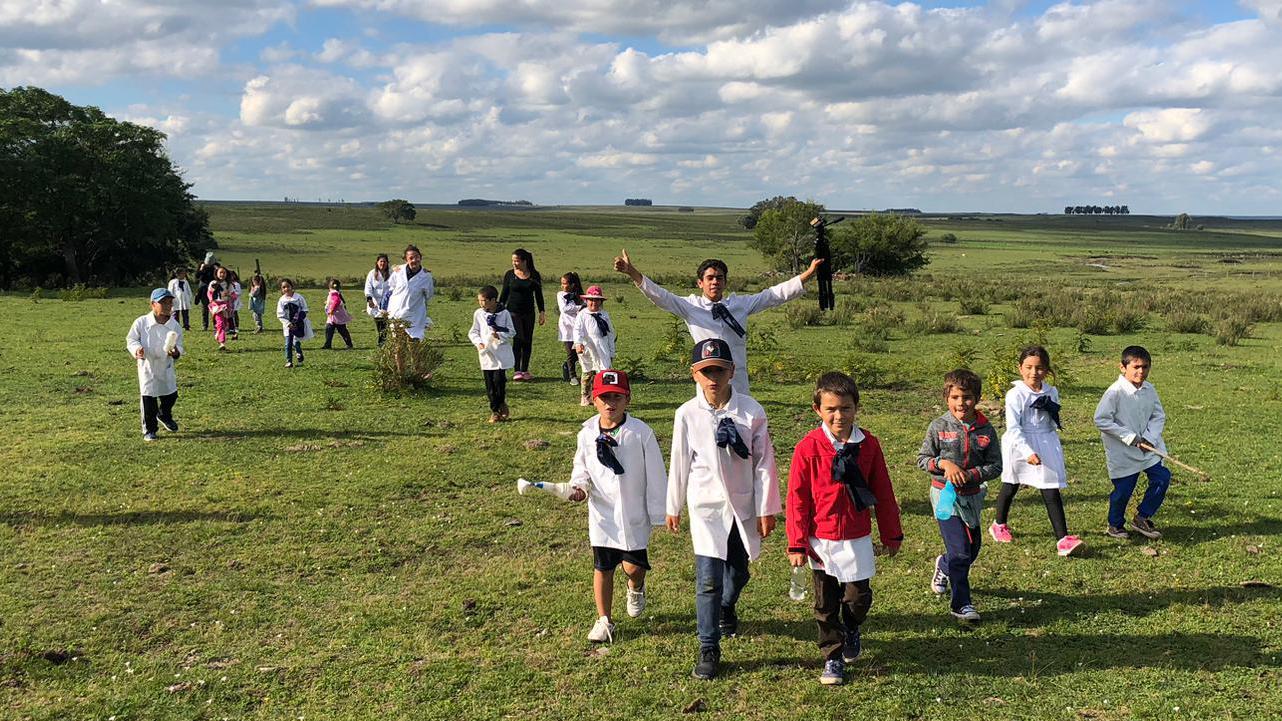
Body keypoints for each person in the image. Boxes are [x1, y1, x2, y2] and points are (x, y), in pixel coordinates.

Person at [666, 338, 781, 680]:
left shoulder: (750, 411)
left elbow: (764, 462)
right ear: (694, 375)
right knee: (708, 581)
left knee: (739, 572)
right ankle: (708, 647)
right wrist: (673, 505)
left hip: (742, 504)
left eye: (718, 370)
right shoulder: (686, 414)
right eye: (705, 372)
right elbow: (679, 461)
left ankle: (727, 606)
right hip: (705, 507)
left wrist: (766, 507)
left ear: (731, 371)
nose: (712, 378)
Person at [786, 371, 903, 685]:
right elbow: (797, 498)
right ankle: (833, 657)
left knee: (857, 597)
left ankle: (851, 627)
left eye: (846, 408)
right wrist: (797, 543)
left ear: (856, 408)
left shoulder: (869, 446)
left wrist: (891, 533)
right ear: (818, 410)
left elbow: (883, 490)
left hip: (856, 536)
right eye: (831, 409)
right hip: (819, 539)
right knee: (825, 604)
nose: (839, 415)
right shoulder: (808, 448)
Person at [613, 249, 823, 393]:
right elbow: (661, 296)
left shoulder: (739, 304)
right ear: (700, 283)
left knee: (742, 421)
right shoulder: (691, 306)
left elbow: (772, 295)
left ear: (725, 281)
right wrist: (632, 272)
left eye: (719, 278)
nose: (715, 282)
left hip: (736, 374)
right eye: (710, 278)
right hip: (706, 374)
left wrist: (808, 274)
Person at [564, 370, 667, 643]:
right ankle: (604, 620)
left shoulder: (640, 433)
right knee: (603, 567)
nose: (611, 403)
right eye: (605, 397)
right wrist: (579, 487)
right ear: (593, 400)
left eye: (617, 397)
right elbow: (581, 467)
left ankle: (636, 586)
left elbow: (656, 473)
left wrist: (660, 511)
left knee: (632, 567)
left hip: (633, 512)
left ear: (627, 399)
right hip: (602, 514)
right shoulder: (586, 434)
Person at [917, 369, 1001, 624]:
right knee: (961, 552)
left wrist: (973, 474)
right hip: (945, 497)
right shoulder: (938, 427)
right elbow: (923, 460)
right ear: (946, 398)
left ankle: (944, 565)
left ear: (977, 398)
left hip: (973, 497)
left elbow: (996, 466)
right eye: (955, 397)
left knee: (972, 549)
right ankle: (961, 604)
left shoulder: (986, 430)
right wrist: (945, 465)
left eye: (966, 397)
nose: (960, 403)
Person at [991, 346, 1084, 556]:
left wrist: (1052, 444)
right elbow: (1014, 428)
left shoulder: (1052, 392)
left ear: (1047, 369)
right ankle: (999, 524)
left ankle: (1063, 539)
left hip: (1045, 441)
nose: (1034, 372)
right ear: (1020, 368)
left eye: (1040, 368)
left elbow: (1052, 419)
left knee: (1050, 487)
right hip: (1020, 443)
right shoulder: (1015, 394)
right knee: (1011, 484)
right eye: (1029, 367)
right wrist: (1027, 451)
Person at [1094, 345, 1170, 541]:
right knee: (1124, 490)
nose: (1141, 372)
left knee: (1162, 477)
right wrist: (1131, 438)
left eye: (1145, 367)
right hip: (1123, 451)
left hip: (1149, 448)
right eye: (1136, 367)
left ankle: (1142, 516)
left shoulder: (1149, 389)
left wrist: (1149, 438)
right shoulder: (1115, 392)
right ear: (1123, 367)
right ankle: (1115, 525)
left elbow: (1158, 415)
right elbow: (1101, 420)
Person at [126, 288, 184, 442]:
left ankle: (164, 415)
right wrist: (136, 350)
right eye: (163, 302)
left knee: (171, 395)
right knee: (149, 399)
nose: (167, 306)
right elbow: (131, 340)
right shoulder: (141, 322)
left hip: (165, 365)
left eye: (169, 302)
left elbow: (180, 345)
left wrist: (176, 352)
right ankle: (150, 430)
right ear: (153, 304)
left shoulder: (174, 326)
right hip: (148, 365)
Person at [468, 285, 515, 423]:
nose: (481, 304)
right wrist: (478, 343)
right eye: (479, 301)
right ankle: (495, 411)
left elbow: (512, 331)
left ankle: (501, 403)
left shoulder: (504, 313)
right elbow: (473, 331)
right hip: (486, 354)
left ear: (493, 300)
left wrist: (499, 335)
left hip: (500, 352)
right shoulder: (479, 314)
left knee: (499, 381)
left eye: (484, 301)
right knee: (490, 385)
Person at [500, 248, 545, 381]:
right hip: (512, 312)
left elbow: (539, 295)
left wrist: (542, 312)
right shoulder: (509, 275)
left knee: (527, 340)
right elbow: (504, 293)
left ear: (524, 261)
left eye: (517, 261)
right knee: (518, 339)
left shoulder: (534, 275)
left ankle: (525, 370)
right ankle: (517, 371)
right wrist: (498, 310)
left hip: (529, 312)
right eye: (513, 261)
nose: (514, 263)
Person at [573, 285, 615, 407]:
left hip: (602, 348)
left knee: (603, 373)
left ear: (601, 302)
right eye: (591, 300)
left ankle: (600, 397)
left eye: (597, 300)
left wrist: (612, 351)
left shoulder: (604, 315)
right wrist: (578, 343)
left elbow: (610, 334)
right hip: (587, 348)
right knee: (588, 372)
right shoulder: (582, 314)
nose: (594, 303)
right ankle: (585, 396)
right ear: (586, 301)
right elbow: (577, 330)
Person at [386, 244, 435, 341]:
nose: (414, 260)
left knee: (413, 343)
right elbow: (391, 286)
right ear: (406, 259)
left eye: (417, 257)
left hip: (414, 314)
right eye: (411, 258)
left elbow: (429, 295)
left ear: (420, 258)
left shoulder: (426, 276)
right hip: (396, 312)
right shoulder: (398, 271)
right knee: (397, 343)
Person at [557, 272, 586, 384]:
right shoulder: (561, 295)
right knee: (570, 352)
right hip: (567, 328)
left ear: (573, 285)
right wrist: (580, 307)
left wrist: (581, 307)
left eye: (565, 283)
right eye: (562, 283)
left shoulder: (581, 296)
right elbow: (564, 308)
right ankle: (572, 376)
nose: (562, 286)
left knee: (580, 352)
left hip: (579, 328)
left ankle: (584, 373)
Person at [276, 278, 309, 368]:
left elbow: (305, 309)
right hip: (288, 326)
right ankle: (289, 361)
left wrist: (298, 319)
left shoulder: (298, 298)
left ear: (292, 287)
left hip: (298, 324)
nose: (286, 289)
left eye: (288, 286)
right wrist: (288, 323)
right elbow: (280, 314)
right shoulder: (282, 300)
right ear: (281, 289)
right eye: (284, 287)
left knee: (296, 341)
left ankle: (298, 352)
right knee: (288, 343)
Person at [364, 253, 392, 346]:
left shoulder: (392, 273)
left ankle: (382, 341)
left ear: (387, 263)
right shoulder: (372, 273)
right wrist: (369, 299)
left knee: (385, 322)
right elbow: (368, 288)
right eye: (381, 261)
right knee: (379, 322)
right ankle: (382, 340)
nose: (382, 263)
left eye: (384, 261)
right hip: (375, 302)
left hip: (389, 301)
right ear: (377, 262)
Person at [207, 266, 236, 351]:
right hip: (216, 305)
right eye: (220, 272)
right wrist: (212, 300)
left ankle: (218, 333)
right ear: (216, 273)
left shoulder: (228, 284)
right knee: (220, 323)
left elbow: (234, 295)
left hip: (226, 306)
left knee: (224, 324)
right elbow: (209, 293)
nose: (222, 274)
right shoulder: (213, 283)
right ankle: (222, 343)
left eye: (224, 273)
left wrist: (229, 295)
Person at [321, 279, 355, 350]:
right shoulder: (336, 293)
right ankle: (328, 344)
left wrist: (332, 309)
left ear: (329, 287)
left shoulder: (334, 293)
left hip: (336, 316)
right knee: (330, 329)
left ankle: (348, 344)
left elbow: (336, 301)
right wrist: (328, 302)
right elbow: (335, 301)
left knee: (340, 330)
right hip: (334, 317)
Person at [194, 258, 218, 331]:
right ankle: (205, 325)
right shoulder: (202, 265)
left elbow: (219, 277)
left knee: (215, 308)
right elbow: (197, 276)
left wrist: (216, 270)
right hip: (203, 289)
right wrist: (201, 269)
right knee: (205, 308)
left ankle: (216, 325)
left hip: (213, 289)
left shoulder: (216, 266)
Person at [228, 269, 243, 340]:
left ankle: (236, 327)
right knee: (229, 315)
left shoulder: (236, 284)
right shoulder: (228, 284)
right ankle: (230, 328)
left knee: (235, 314)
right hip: (229, 301)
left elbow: (238, 292)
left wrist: (232, 295)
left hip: (235, 301)